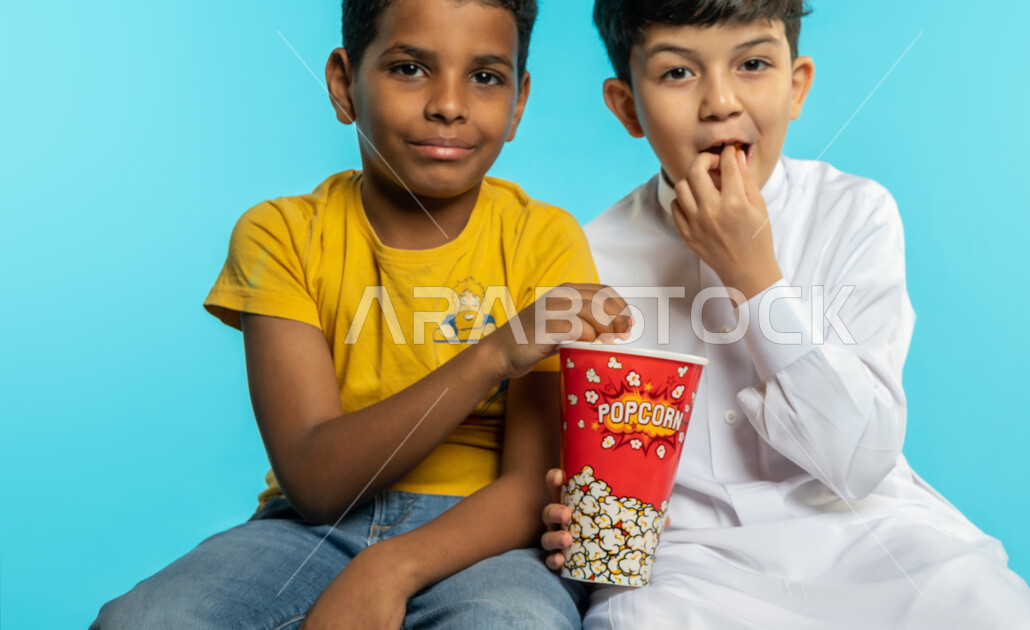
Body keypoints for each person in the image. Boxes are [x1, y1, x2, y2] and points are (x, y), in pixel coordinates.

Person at [91, 0, 632, 628]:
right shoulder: (282, 236)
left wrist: (390, 567)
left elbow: (533, 483)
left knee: (517, 622)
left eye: (485, 77)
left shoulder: (545, 239)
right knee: (147, 618)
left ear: (518, 102)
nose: (449, 105)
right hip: (310, 530)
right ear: (344, 84)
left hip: (485, 537)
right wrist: (491, 355)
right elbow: (315, 482)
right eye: (409, 69)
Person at [540, 1, 1030, 628]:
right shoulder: (590, 255)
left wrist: (755, 279)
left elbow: (859, 461)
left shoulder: (855, 214)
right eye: (678, 73)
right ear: (628, 107)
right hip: (686, 564)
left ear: (796, 87)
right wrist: (578, 516)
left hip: (866, 537)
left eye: (753, 64)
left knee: (986, 607)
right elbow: (598, 473)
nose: (720, 102)